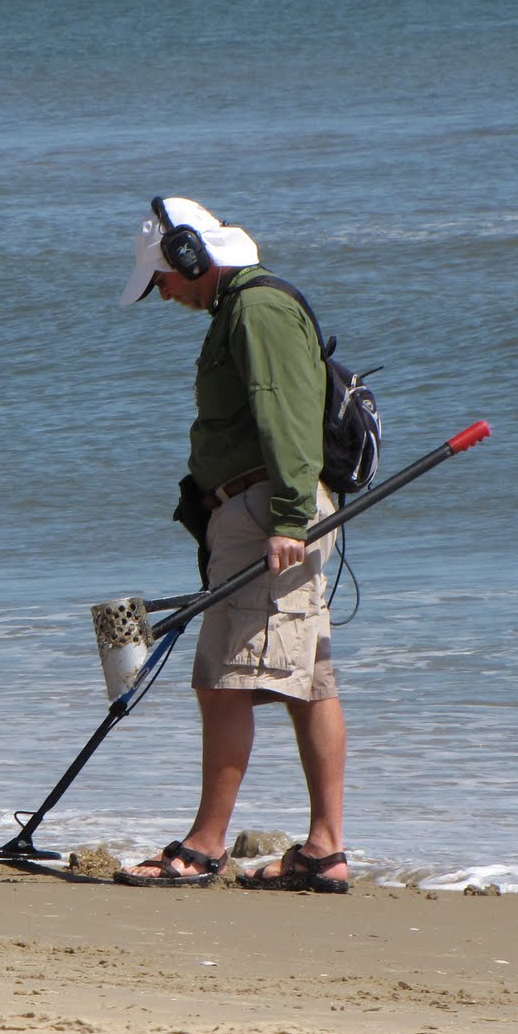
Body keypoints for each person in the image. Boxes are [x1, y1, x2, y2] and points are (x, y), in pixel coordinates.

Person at [112, 196, 350, 894]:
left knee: (222, 684)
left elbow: (289, 416)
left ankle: (205, 847)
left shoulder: (258, 309)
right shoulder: (238, 311)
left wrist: (285, 517)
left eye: (162, 278)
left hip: (266, 513)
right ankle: (323, 852)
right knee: (309, 685)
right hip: (255, 510)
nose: (163, 294)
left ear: (190, 255)